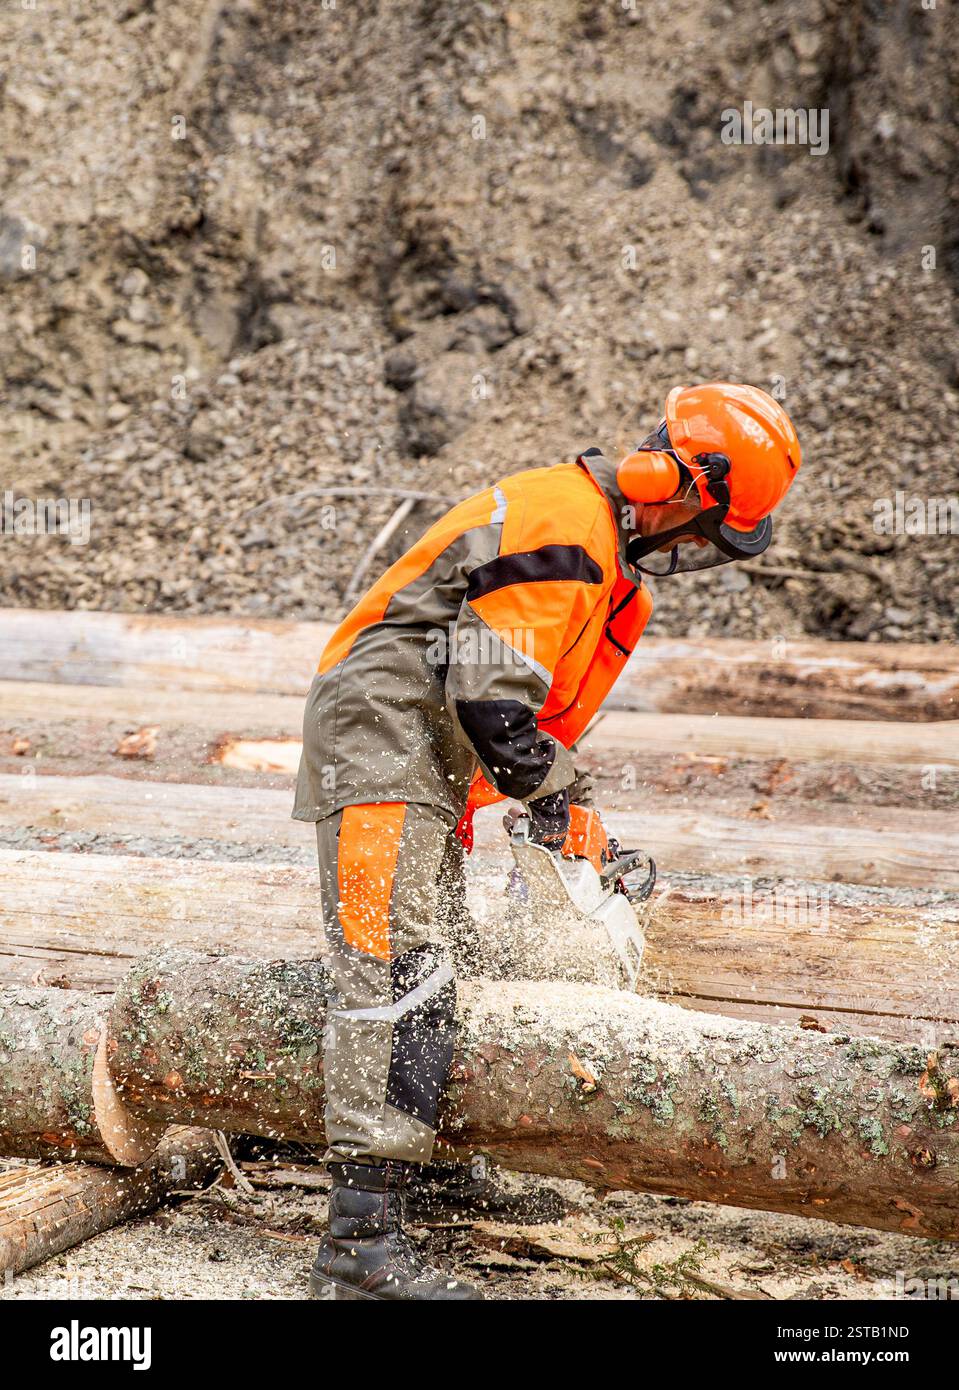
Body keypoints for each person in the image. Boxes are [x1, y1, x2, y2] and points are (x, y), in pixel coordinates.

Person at [293, 381, 801, 1300]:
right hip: (382, 732)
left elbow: (518, 713)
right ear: (678, 484)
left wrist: (567, 806)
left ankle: (427, 1175)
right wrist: (556, 799)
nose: (690, 551)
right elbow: (492, 699)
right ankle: (357, 1247)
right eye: (702, 530)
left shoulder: (595, 547)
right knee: (393, 972)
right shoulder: (564, 526)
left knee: (440, 959)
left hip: (424, 744)